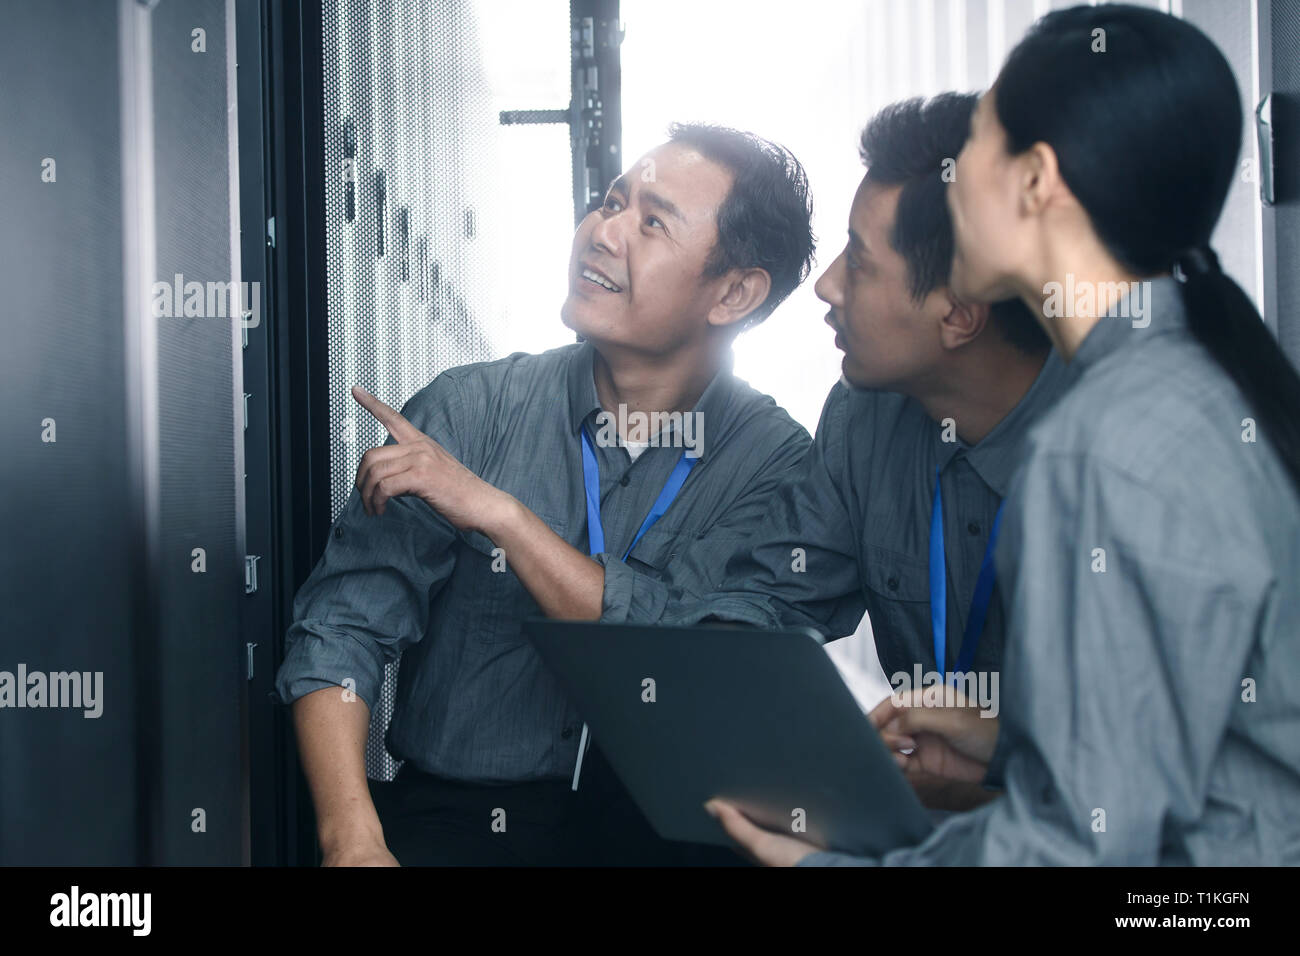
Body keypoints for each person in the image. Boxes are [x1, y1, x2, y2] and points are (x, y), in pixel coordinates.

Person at [708, 3, 1300, 865]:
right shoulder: (1187, 383)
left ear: (1034, 182)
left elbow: (1079, 853)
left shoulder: (1104, 443)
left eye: (974, 146)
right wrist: (1019, 736)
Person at [274, 123, 816, 865]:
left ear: (735, 290)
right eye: (610, 201)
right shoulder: (471, 409)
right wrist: (352, 839)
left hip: (671, 831)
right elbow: (343, 630)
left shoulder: (776, 466)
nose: (602, 230)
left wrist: (503, 517)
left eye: (651, 221)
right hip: (463, 823)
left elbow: (696, 664)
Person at [634, 93, 1063, 809]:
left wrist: (1008, 746)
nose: (827, 285)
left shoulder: (1128, 454)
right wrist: (718, 644)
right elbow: (779, 590)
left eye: (859, 263)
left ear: (959, 315)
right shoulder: (864, 416)